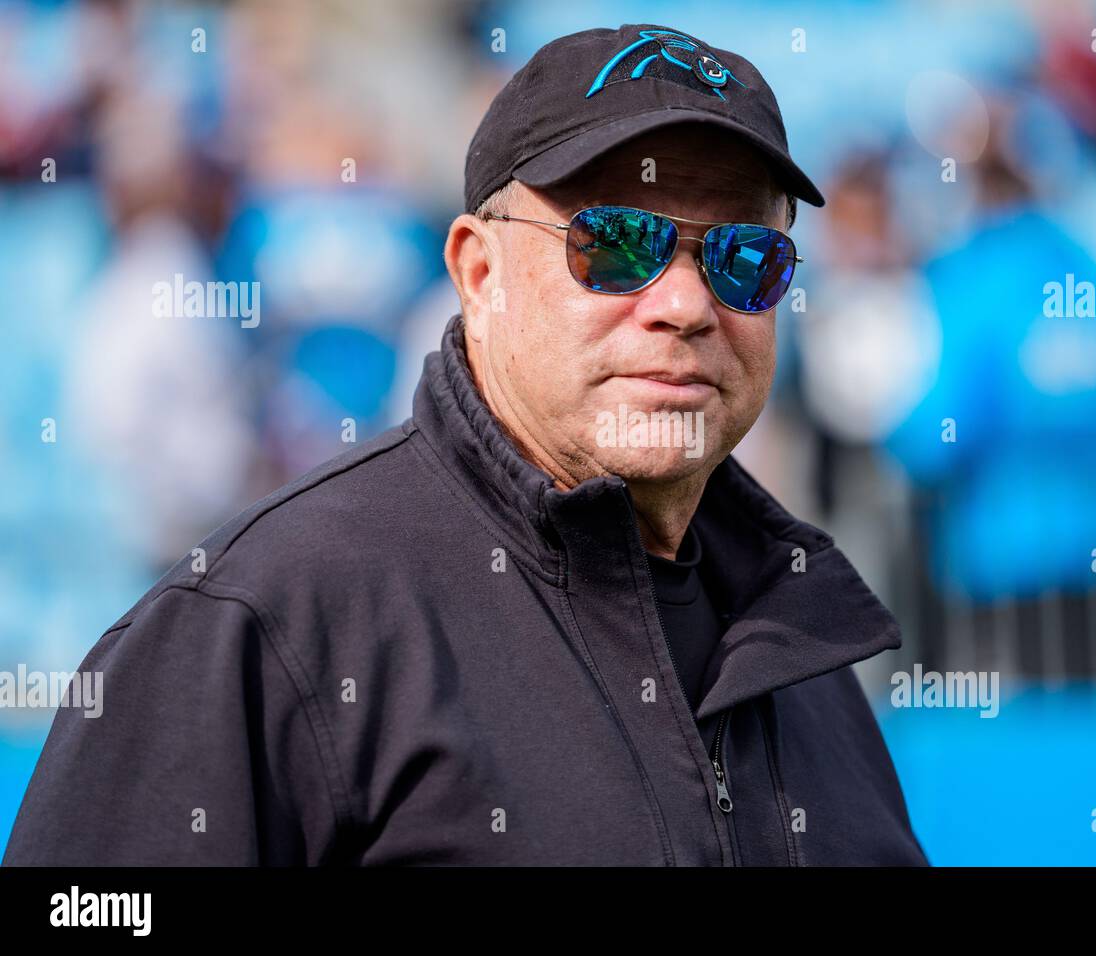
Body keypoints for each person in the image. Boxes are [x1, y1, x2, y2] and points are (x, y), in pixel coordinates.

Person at [3, 22, 927, 867]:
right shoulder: (263, 621)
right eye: (616, 244)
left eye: (742, 257)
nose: (685, 305)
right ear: (479, 275)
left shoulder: (804, 649)